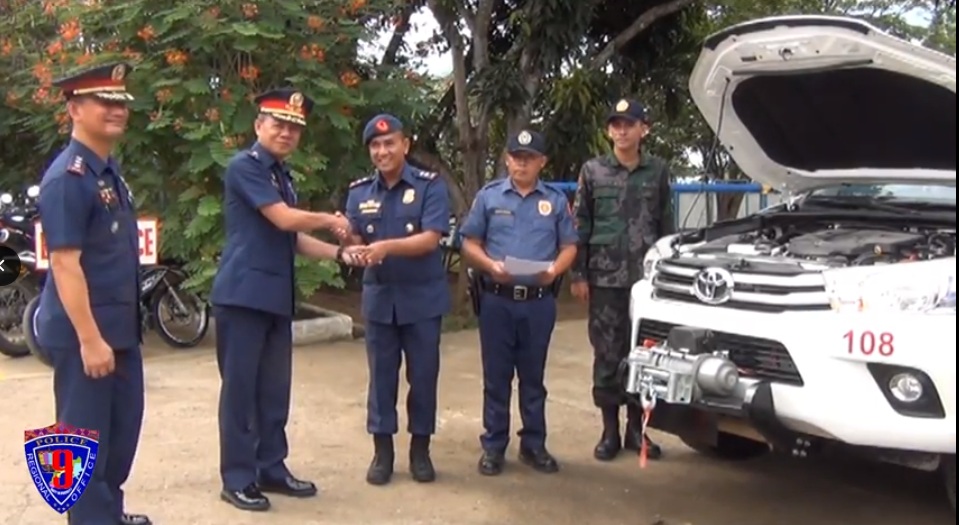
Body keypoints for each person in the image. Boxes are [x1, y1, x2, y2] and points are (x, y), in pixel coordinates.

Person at [210, 88, 361, 511]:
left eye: (294, 128)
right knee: (240, 393)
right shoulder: (245, 166)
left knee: (274, 392)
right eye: (279, 124)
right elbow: (282, 218)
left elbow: (291, 238)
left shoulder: (281, 175)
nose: (286, 133)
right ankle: (238, 478)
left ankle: (271, 468)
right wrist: (331, 220)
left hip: (274, 297)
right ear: (259, 125)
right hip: (243, 297)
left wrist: (340, 254)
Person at [37, 62, 152, 525]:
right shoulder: (68, 178)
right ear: (74, 109)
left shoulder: (107, 171)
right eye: (104, 101)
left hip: (118, 331)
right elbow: (64, 263)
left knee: (121, 435)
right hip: (85, 335)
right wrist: (89, 339)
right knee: (79, 444)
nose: (116, 109)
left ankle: (108, 514)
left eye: (120, 101)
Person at [337, 114, 451, 486]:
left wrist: (385, 247)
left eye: (389, 143)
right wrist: (348, 240)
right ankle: (382, 451)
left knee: (424, 377)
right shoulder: (359, 192)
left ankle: (421, 450)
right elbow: (355, 240)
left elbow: (431, 238)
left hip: (422, 300)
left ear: (405, 144)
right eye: (375, 145)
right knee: (381, 378)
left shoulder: (429, 186)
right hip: (380, 300)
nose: (382, 151)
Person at [459, 130, 577, 476]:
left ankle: (533, 444)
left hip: (538, 303)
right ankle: (494, 446)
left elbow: (569, 245)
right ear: (507, 159)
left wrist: (555, 270)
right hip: (497, 301)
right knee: (496, 377)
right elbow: (469, 242)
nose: (521, 164)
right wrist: (489, 265)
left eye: (529, 158)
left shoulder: (555, 200)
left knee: (533, 377)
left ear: (542, 162)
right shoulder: (489, 197)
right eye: (516, 157)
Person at [570, 98, 675, 462]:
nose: (622, 130)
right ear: (608, 131)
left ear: (644, 129)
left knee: (645, 354)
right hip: (605, 280)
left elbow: (666, 226)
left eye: (629, 124)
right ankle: (609, 431)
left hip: (645, 283)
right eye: (616, 124)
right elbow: (581, 225)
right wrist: (579, 274)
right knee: (607, 355)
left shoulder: (657, 171)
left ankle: (637, 431)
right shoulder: (593, 171)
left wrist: (667, 278)